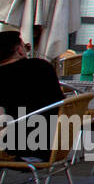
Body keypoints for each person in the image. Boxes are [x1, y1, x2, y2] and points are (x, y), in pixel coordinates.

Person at [0, 30, 64, 161]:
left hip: (15, 147)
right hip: (56, 143)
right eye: (26, 47)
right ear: (20, 51)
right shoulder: (42, 66)